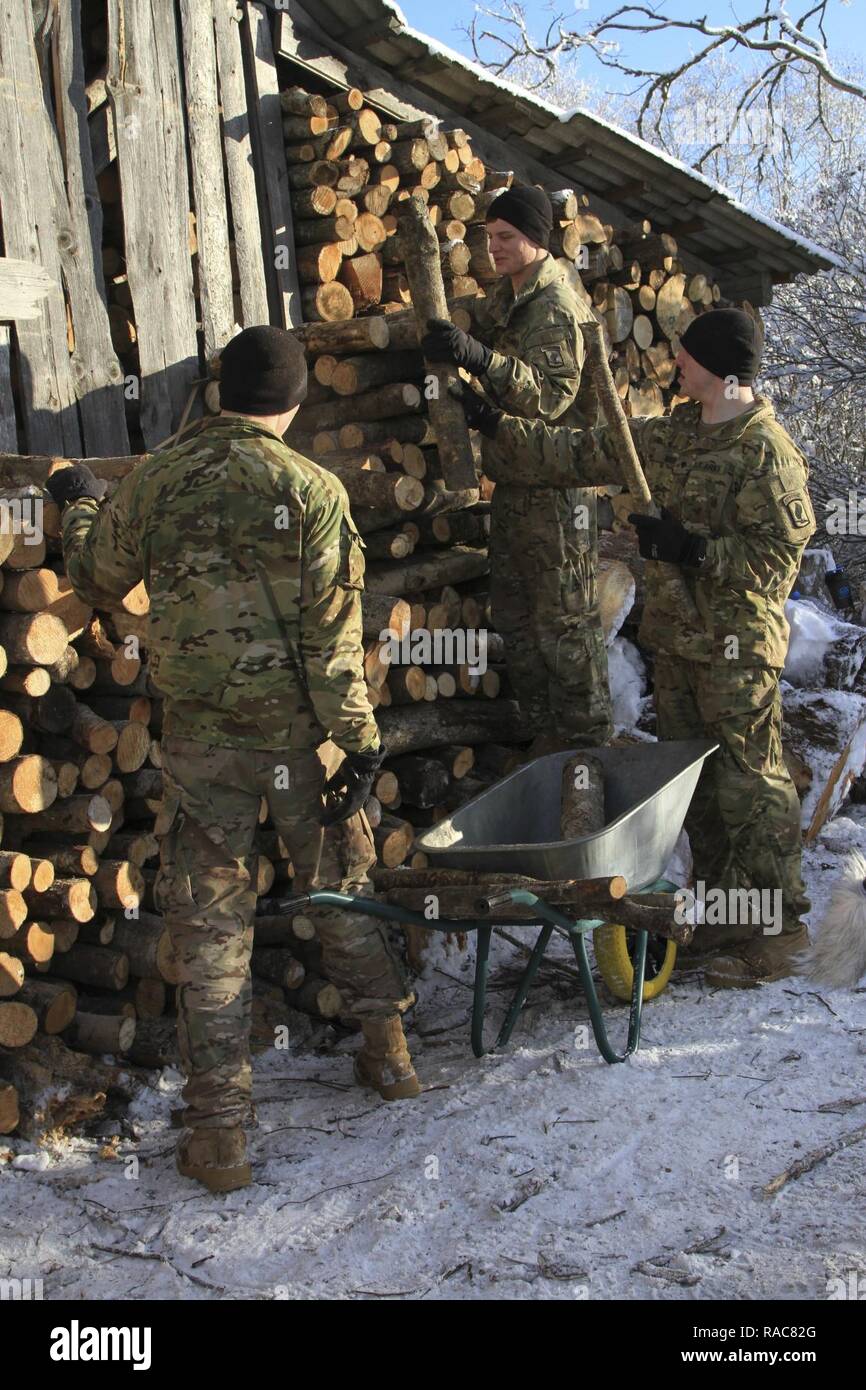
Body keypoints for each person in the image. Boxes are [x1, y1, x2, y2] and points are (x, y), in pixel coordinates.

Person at [49, 326, 418, 1195]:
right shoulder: (313, 490)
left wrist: (76, 496)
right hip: (301, 742)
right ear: (293, 403)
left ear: (220, 394)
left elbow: (98, 572)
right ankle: (390, 1055)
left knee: (211, 928)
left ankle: (220, 1138)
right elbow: (334, 646)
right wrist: (360, 743)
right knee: (341, 893)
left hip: (202, 742)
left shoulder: (161, 479)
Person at [454, 307, 815, 988]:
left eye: (689, 352)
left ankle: (779, 931)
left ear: (722, 365)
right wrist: (499, 425)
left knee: (750, 788)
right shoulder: (674, 433)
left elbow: (779, 556)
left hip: (735, 648)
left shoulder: (765, 448)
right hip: (677, 644)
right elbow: (583, 451)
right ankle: (725, 918)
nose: (676, 360)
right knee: (698, 790)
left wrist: (693, 549)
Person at [421, 184, 613, 751]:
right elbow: (471, 316)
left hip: (556, 495)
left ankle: (588, 753)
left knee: (565, 631)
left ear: (534, 239)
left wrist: (481, 361)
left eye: (505, 238)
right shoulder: (513, 295)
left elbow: (550, 398)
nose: (492, 248)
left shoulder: (553, 305)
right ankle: (546, 747)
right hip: (516, 486)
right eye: (487, 237)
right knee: (519, 625)